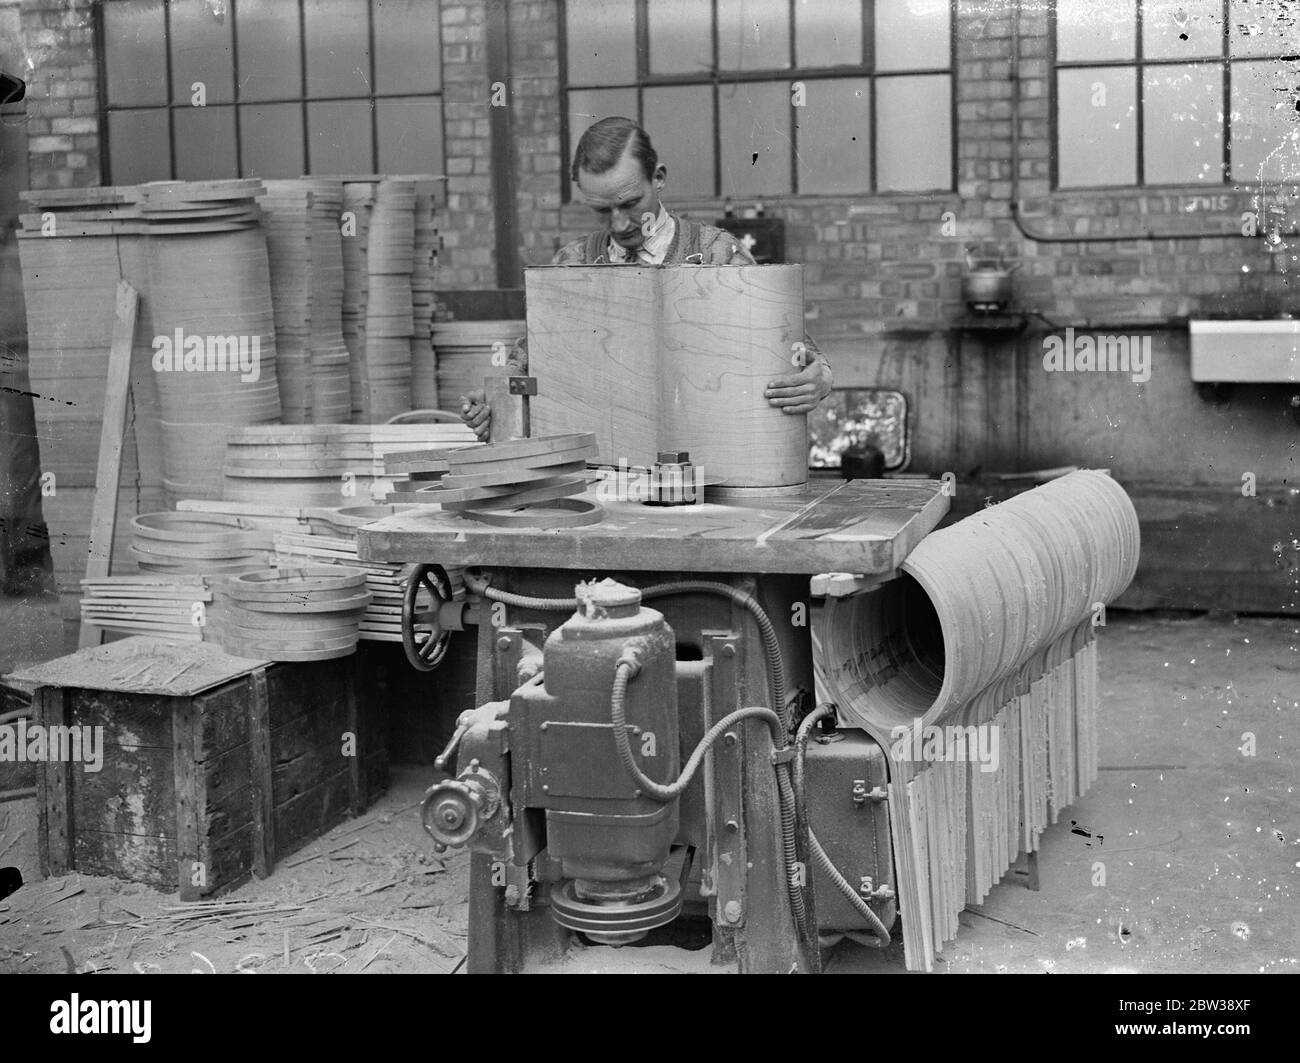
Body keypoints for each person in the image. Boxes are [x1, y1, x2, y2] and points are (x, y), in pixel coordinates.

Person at [461, 116, 834, 441]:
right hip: (601, 465)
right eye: (601, 210)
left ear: (658, 178)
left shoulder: (720, 256)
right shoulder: (572, 265)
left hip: (705, 463)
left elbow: (796, 350)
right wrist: (493, 399)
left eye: (629, 204)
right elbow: (525, 363)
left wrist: (820, 376)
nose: (619, 224)